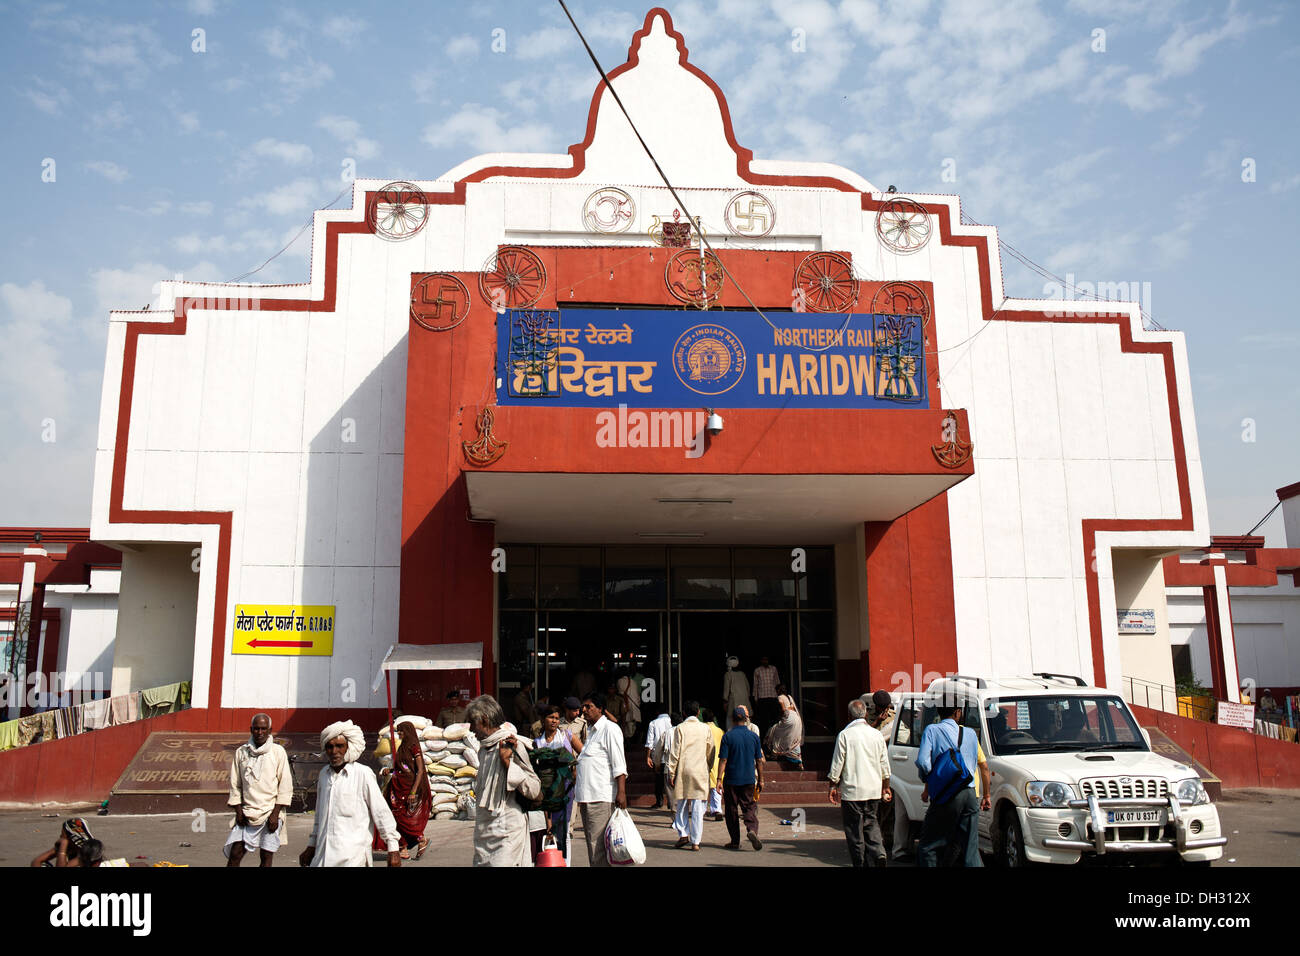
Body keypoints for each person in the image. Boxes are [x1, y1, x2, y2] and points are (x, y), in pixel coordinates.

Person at [300, 720, 400, 867]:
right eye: (330, 747)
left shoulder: (363, 774)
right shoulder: (323, 775)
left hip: (353, 857)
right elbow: (319, 817)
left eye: (340, 746)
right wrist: (311, 845)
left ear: (348, 747)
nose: (334, 752)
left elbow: (381, 812)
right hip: (323, 856)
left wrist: (393, 848)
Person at [467, 694, 542, 866]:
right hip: (485, 830)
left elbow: (533, 788)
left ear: (485, 720)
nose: (471, 729)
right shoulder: (484, 749)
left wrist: (507, 763)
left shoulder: (511, 745)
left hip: (507, 829)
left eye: (473, 723)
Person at [914, 701, 984, 867]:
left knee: (929, 846)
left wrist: (930, 779)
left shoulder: (932, 730)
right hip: (969, 792)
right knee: (970, 848)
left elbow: (923, 762)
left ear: (939, 712)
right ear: (958, 713)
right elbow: (973, 763)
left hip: (946, 794)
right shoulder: (971, 733)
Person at [828, 698, 892, 867]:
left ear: (849, 716)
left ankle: (860, 862)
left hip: (852, 792)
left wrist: (833, 785)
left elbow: (837, 763)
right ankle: (879, 853)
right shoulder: (876, 735)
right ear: (865, 714)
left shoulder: (845, 735)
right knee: (871, 823)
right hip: (873, 790)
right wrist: (886, 786)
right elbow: (884, 764)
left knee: (854, 830)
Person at [225, 712, 292, 867]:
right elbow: (235, 784)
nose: (260, 732)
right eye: (256, 729)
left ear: (270, 730)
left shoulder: (277, 752)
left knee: (266, 857)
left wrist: (275, 814)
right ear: (251, 729)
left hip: (270, 813)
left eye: (263, 729)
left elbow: (285, 786)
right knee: (235, 855)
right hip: (247, 813)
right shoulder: (241, 752)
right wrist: (238, 811)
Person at [574, 692, 628, 866]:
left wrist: (621, 792)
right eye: (584, 706)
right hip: (587, 798)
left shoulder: (610, 729)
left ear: (600, 709)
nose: (584, 710)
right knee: (593, 847)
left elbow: (619, 764)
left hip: (601, 798)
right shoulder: (591, 732)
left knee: (599, 849)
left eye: (589, 707)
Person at [666, 700, 715, 851]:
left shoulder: (679, 728)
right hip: (700, 770)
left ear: (684, 714)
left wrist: (671, 772)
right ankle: (696, 842)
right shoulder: (705, 728)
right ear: (698, 712)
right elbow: (711, 751)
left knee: (681, 803)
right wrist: (709, 766)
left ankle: (683, 834)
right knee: (698, 807)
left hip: (684, 770)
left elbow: (674, 753)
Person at [716, 706, 765, 850]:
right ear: (746, 719)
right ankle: (751, 830)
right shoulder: (754, 737)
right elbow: (759, 761)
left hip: (731, 779)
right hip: (748, 779)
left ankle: (735, 841)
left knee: (731, 810)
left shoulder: (727, 736)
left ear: (732, 719)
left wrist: (719, 779)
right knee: (749, 806)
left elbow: (723, 760)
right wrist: (761, 779)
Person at [381, 718, 431, 860]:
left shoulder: (414, 746)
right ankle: (403, 848)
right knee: (393, 816)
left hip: (408, 788)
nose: (399, 734)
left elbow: (419, 770)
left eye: (401, 732)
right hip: (396, 787)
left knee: (402, 816)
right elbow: (402, 768)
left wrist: (413, 792)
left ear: (407, 732)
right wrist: (389, 770)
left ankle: (421, 839)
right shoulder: (402, 747)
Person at [535, 703, 579, 858]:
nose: (554, 721)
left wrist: (574, 771)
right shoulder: (537, 742)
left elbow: (584, 752)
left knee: (564, 829)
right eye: (550, 717)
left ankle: (566, 862)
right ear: (543, 719)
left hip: (565, 787)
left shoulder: (567, 735)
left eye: (556, 718)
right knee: (549, 828)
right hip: (546, 789)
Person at [643, 704, 674, 809]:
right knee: (671, 779)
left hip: (658, 755)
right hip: (672, 755)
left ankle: (659, 801)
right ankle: (671, 802)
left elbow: (649, 742)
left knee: (658, 779)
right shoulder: (672, 721)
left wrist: (648, 756)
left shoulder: (653, 723)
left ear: (657, 712)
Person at [765, 694, 804, 770]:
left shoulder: (780, 697)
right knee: (793, 738)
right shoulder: (789, 697)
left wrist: (783, 715)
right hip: (796, 718)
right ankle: (799, 762)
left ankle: (775, 753)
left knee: (773, 731)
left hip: (789, 717)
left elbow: (783, 709)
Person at [702, 708, 725, 820]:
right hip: (717, 761)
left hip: (704, 760)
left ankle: (701, 810)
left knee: (703, 786)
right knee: (717, 785)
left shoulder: (702, 729)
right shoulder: (719, 731)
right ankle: (717, 809)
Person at [753, 656, 781, 736]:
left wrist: (779, 696)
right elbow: (755, 685)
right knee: (764, 720)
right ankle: (764, 738)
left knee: (774, 719)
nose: (765, 661)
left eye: (766, 659)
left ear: (768, 660)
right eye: (763, 659)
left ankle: (774, 736)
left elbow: (777, 683)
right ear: (761, 660)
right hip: (762, 698)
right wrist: (755, 698)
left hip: (773, 697)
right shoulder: (757, 670)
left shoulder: (773, 669)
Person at [722, 657, 751, 729]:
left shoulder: (728, 674)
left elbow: (726, 689)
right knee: (746, 721)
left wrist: (725, 701)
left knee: (731, 721)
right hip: (745, 702)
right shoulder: (742, 674)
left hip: (733, 703)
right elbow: (748, 688)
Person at [615, 668, 641, 741]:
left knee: (627, 724)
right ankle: (630, 739)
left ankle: (627, 740)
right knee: (632, 725)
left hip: (627, 705)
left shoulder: (620, 681)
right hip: (635, 705)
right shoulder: (633, 681)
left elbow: (620, 694)